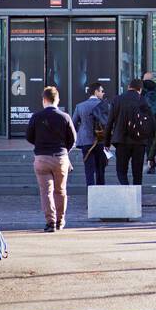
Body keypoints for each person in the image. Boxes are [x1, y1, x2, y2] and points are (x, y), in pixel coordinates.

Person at [26, 86, 77, 232]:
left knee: (46, 191)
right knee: (60, 190)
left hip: (41, 158)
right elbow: (73, 139)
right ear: (57, 99)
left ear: (44, 100)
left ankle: (50, 222)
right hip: (60, 157)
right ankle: (60, 221)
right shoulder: (65, 117)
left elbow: (29, 137)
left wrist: (40, 144)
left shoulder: (36, 117)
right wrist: (65, 150)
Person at [107, 78, 153, 186]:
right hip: (139, 141)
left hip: (121, 140)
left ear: (128, 87)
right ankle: (136, 194)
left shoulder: (117, 99)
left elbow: (110, 122)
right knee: (137, 172)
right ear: (140, 89)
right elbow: (151, 121)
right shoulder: (143, 100)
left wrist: (106, 142)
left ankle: (126, 190)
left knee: (121, 170)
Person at [71, 83, 110, 188]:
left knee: (89, 170)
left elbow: (73, 124)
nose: (103, 93)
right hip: (101, 141)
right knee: (100, 170)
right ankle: (100, 193)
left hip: (86, 142)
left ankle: (90, 194)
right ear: (96, 92)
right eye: (102, 91)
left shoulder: (80, 106)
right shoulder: (105, 105)